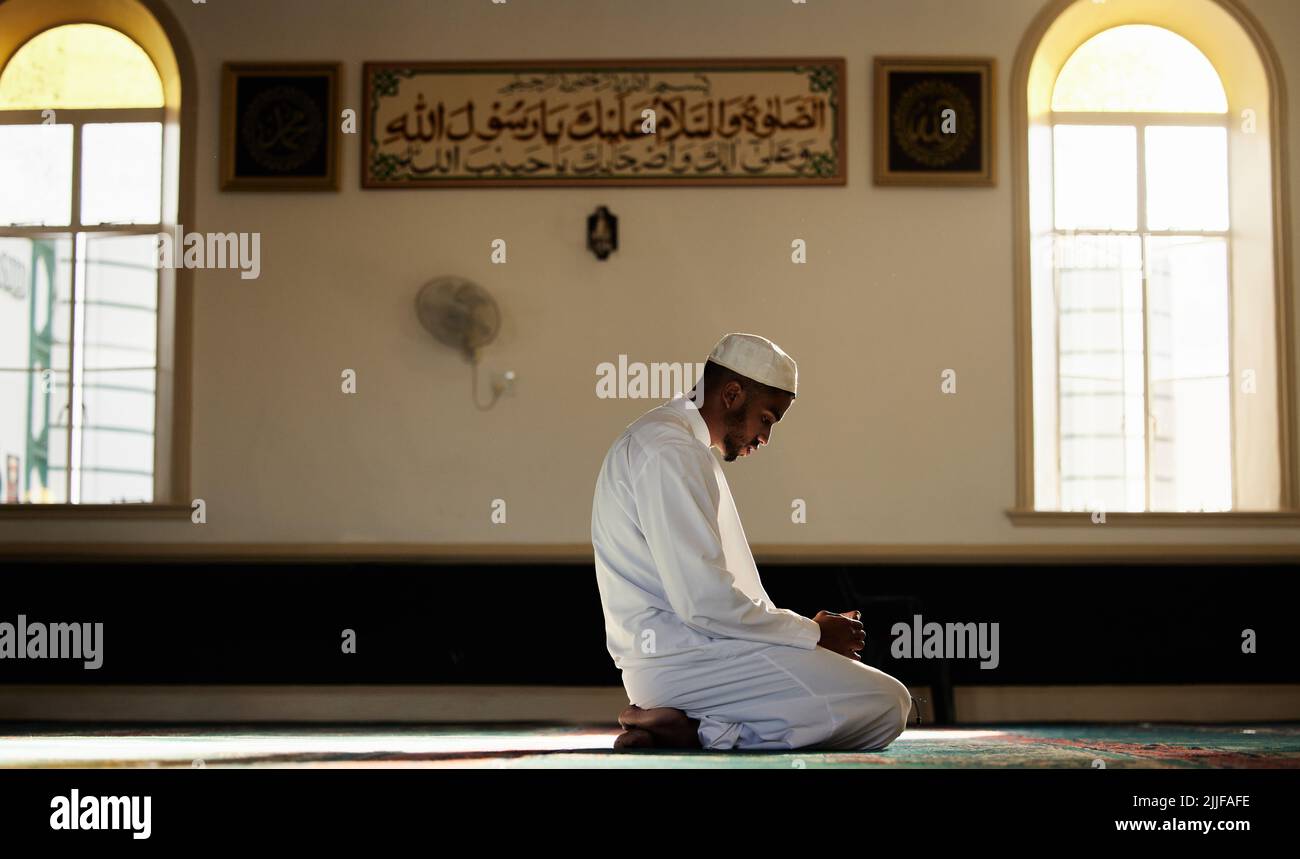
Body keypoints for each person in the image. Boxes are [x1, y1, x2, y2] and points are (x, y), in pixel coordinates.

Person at [590, 332, 913, 750]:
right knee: (887, 703)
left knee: (872, 697)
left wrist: (806, 637)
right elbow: (705, 604)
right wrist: (812, 634)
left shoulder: (677, 443)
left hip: (698, 657)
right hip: (684, 663)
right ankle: (701, 729)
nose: (766, 438)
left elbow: (712, 601)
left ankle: (695, 728)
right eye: (767, 418)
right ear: (732, 393)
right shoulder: (669, 449)